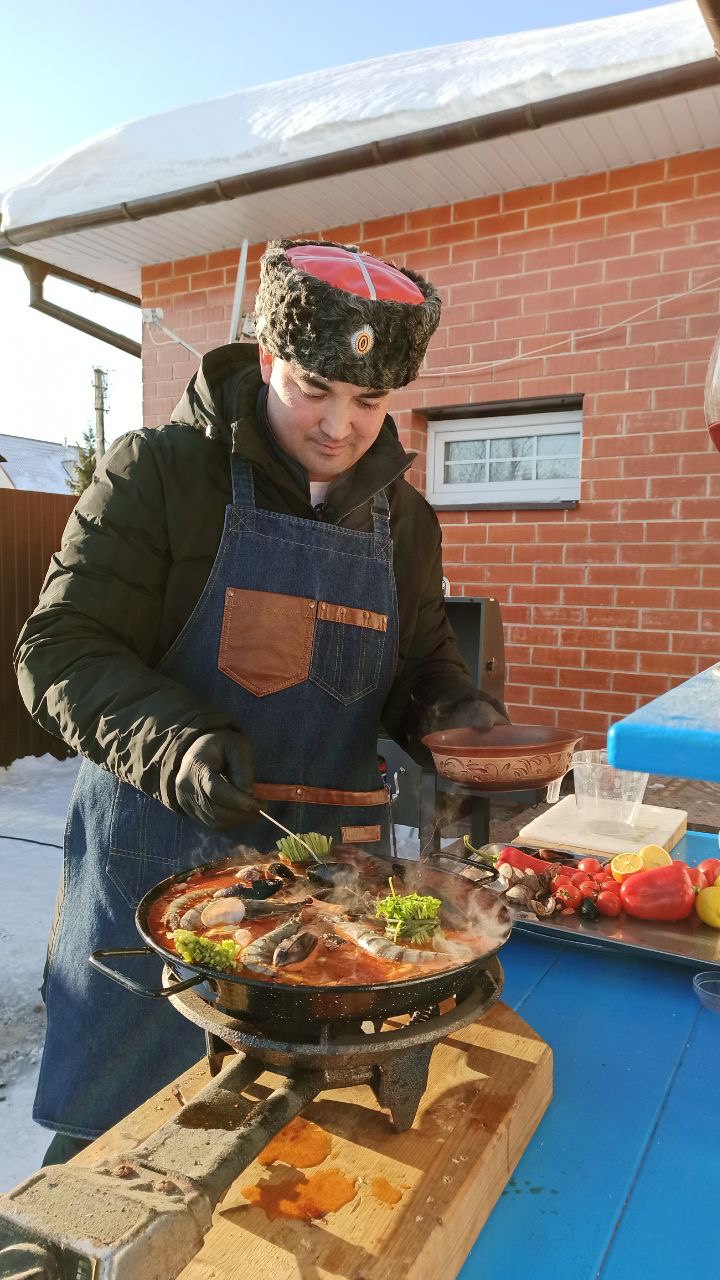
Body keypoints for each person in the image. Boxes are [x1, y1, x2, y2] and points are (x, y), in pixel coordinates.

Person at [15, 239, 507, 1161]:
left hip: (339, 914)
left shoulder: (405, 522)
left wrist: (456, 720)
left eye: (367, 402)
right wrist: (177, 744)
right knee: (112, 1160)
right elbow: (58, 651)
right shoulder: (160, 474)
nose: (338, 425)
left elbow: (422, 668)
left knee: (297, 1162)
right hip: (154, 894)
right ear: (269, 357)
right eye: (315, 388)